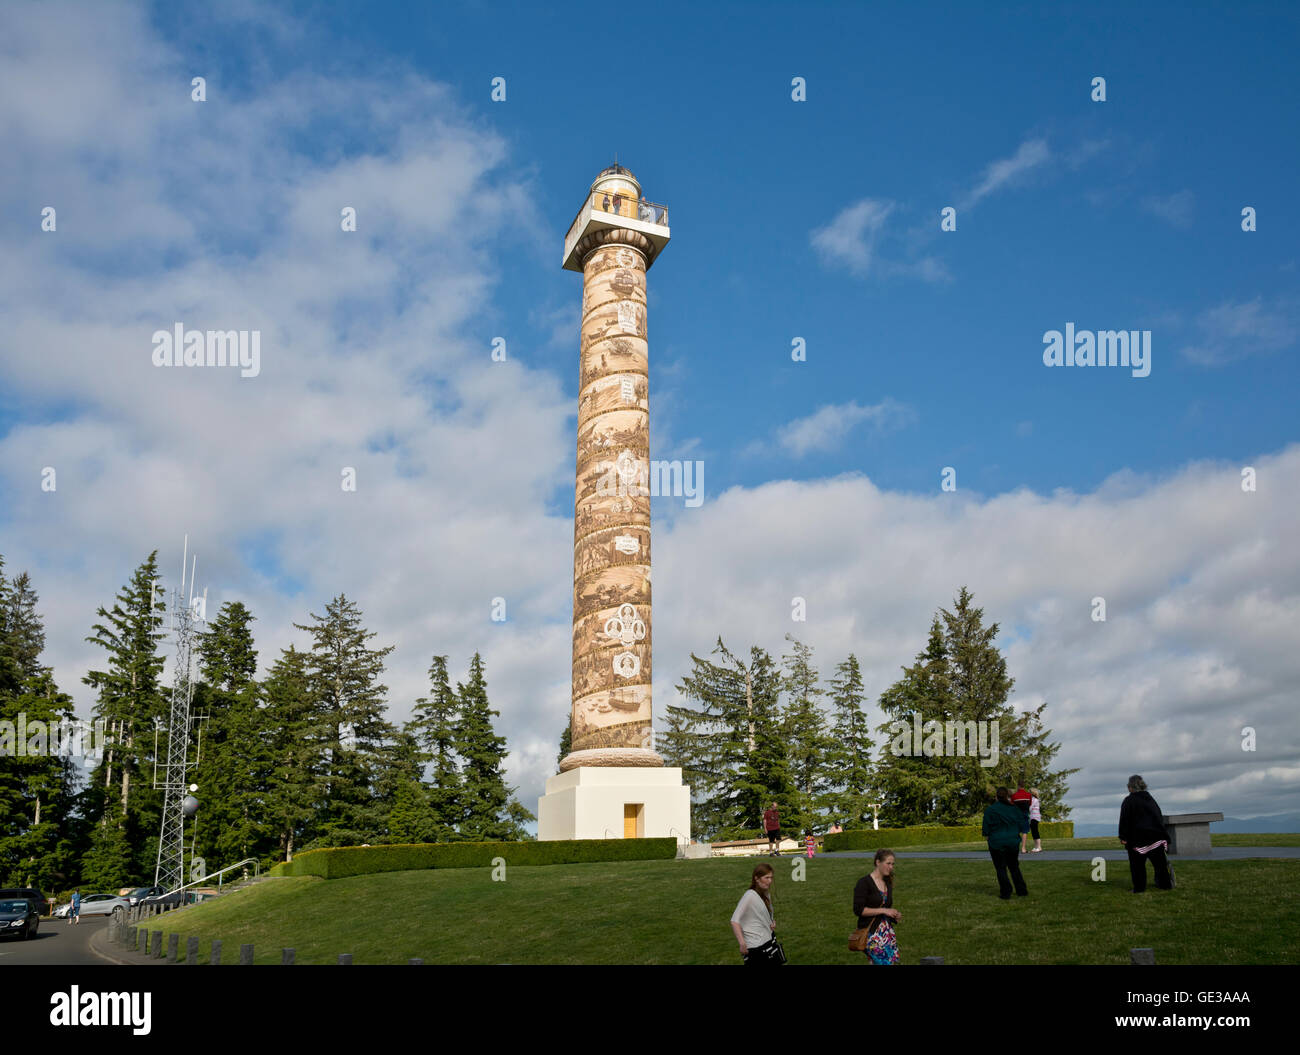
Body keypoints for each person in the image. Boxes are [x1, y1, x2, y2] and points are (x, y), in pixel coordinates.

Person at [1119, 775, 1174, 892]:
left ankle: (1139, 888)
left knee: (1137, 866)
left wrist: (1123, 837)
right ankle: (1165, 885)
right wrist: (1163, 835)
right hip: (1156, 838)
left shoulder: (1129, 801)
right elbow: (1158, 816)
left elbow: (1124, 820)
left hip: (1138, 840)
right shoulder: (1150, 799)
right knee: (1160, 865)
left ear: (1130, 787)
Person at [852, 849, 900, 964]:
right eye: (888, 863)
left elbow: (885, 908)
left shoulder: (887, 884)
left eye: (892, 864)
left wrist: (894, 915)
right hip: (872, 934)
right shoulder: (864, 883)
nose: (891, 867)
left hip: (887, 934)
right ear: (878, 862)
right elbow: (859, 910)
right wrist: (884, 910)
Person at [730, 863, 781, 965]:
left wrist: (771, 921)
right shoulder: (749, 895)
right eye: (766, 877)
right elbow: (734, 921)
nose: (770, 881)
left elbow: (763, 914)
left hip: (769, 942)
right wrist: (742, 943)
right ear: (757, 878)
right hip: (756, 948)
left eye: (771, 878)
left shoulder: (766, 893)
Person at [983, 787, 1030, 898]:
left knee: (1000, 868)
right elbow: (1021, 824)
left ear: (996, 796)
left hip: (996, 842)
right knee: (1014, 867)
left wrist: (990, 837)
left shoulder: (990, 810)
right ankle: (1021, 890)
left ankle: (1006, 892)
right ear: (1008, 796)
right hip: (1012, 842)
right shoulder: (1014, 809)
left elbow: (986, 830)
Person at [1011, 784, 1033, 852]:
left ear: (1018, 786)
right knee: (1024, 832)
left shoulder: (1014, 795)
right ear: (1024, 786)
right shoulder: (1028, 795)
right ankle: (1023, 848)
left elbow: (1012, 805)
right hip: (1025, 815)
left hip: (1016, 815)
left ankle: (1015, 848)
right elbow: (1030, 804)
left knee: (1015, 832)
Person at [1028, 788, 1043, 852]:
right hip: (1032, 817)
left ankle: (1039, 847)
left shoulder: (1035, 800)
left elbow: (1030, 808)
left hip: (1035, 817)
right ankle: (1036, 846)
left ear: (1032, 793)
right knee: (1034, 832)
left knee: (1035, 832)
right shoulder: (1032, 799)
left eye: (1029, 792)